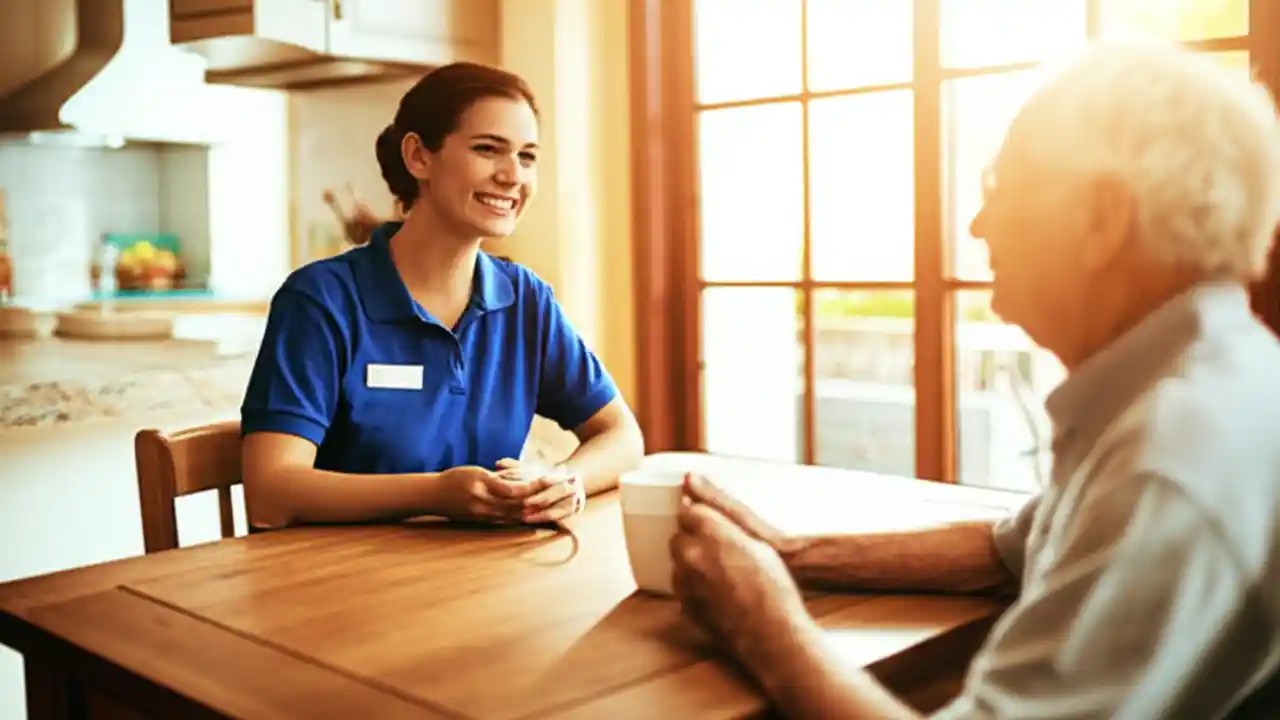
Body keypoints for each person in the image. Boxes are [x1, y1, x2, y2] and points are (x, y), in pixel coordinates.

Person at [670, 42, 1280, 719]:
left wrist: (764, 621)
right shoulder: (1205, 381)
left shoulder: (1172, 456)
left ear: (1102, 218)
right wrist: (789, 551)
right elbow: (1005, 549)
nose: (978, 224)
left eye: (1001, 187)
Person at [240, 62, 644, 531]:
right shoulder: (321, 300)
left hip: (477, 580)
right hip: (336, 586)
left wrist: (564, 481)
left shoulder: (525, 300)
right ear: (418, 157)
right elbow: (271, 494)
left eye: (528, 156)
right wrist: (435, 492)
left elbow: (622, 436)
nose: (513, 176)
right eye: (488, 149)